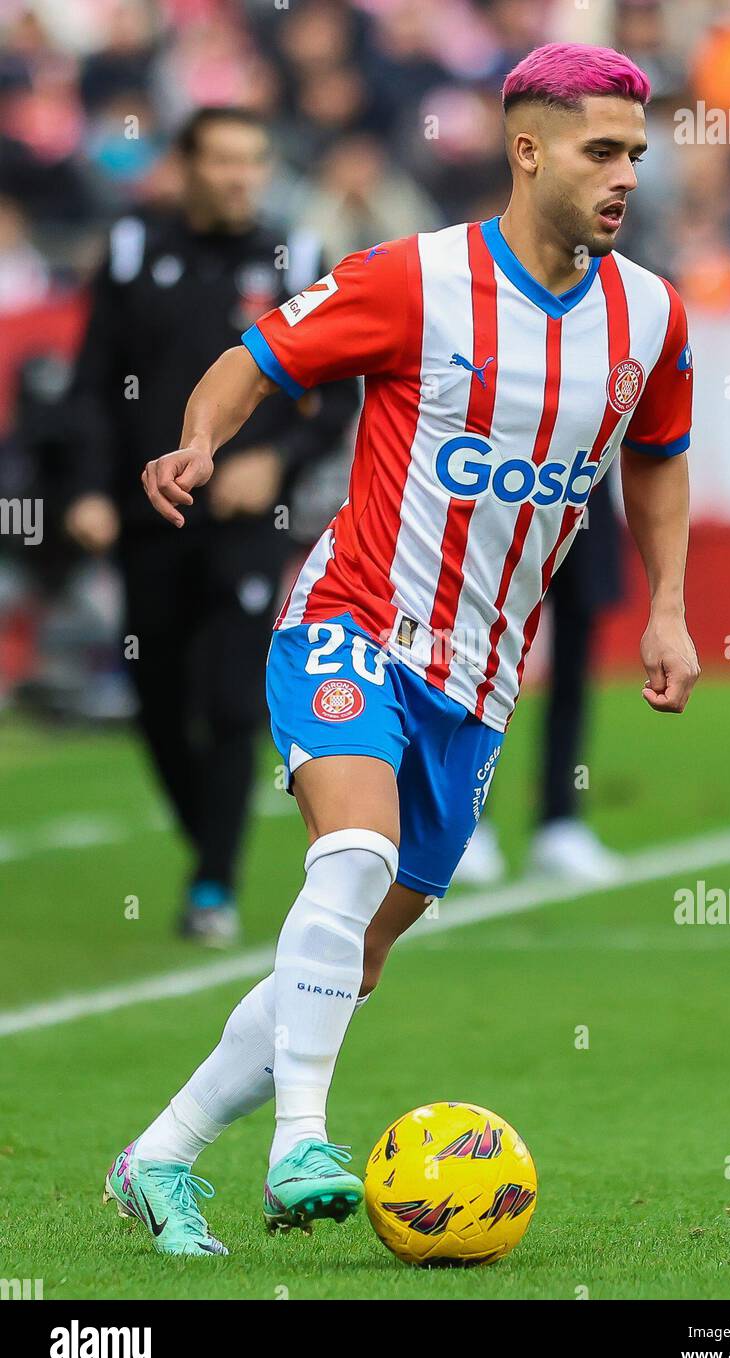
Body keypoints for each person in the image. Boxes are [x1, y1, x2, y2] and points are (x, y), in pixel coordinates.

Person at [103, 44, 699, 1256]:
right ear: (525, 150)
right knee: (355, 850)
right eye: (599, 150)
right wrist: (198, 441)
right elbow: (254, 356)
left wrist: (670, 604)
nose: (624, 174)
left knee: (351, 960)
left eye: (634, 152)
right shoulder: (412, 280)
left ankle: (158, 1156)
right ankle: (299, 1145)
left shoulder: (650, 313)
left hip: (477, 684)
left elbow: (657, 455)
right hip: (355, 620)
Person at [63, 107, 359, 946]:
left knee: (233, 698)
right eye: (223, 160)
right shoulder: (132, 253)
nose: (240, 176)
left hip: (244, 519)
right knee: (155, 696)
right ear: (185, 167)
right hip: (148, 511)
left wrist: (279, 461)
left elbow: (335, 393)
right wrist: (88, 488)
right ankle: (209, 845)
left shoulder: (295, 261)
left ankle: (212, 885)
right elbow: (92, 383)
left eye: (253, 160)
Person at [455, 470, 624, 887]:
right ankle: (464, 822)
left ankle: (560, 820)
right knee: (476, 661)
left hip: (583, 480)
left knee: (574, 659)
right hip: (507, 481)